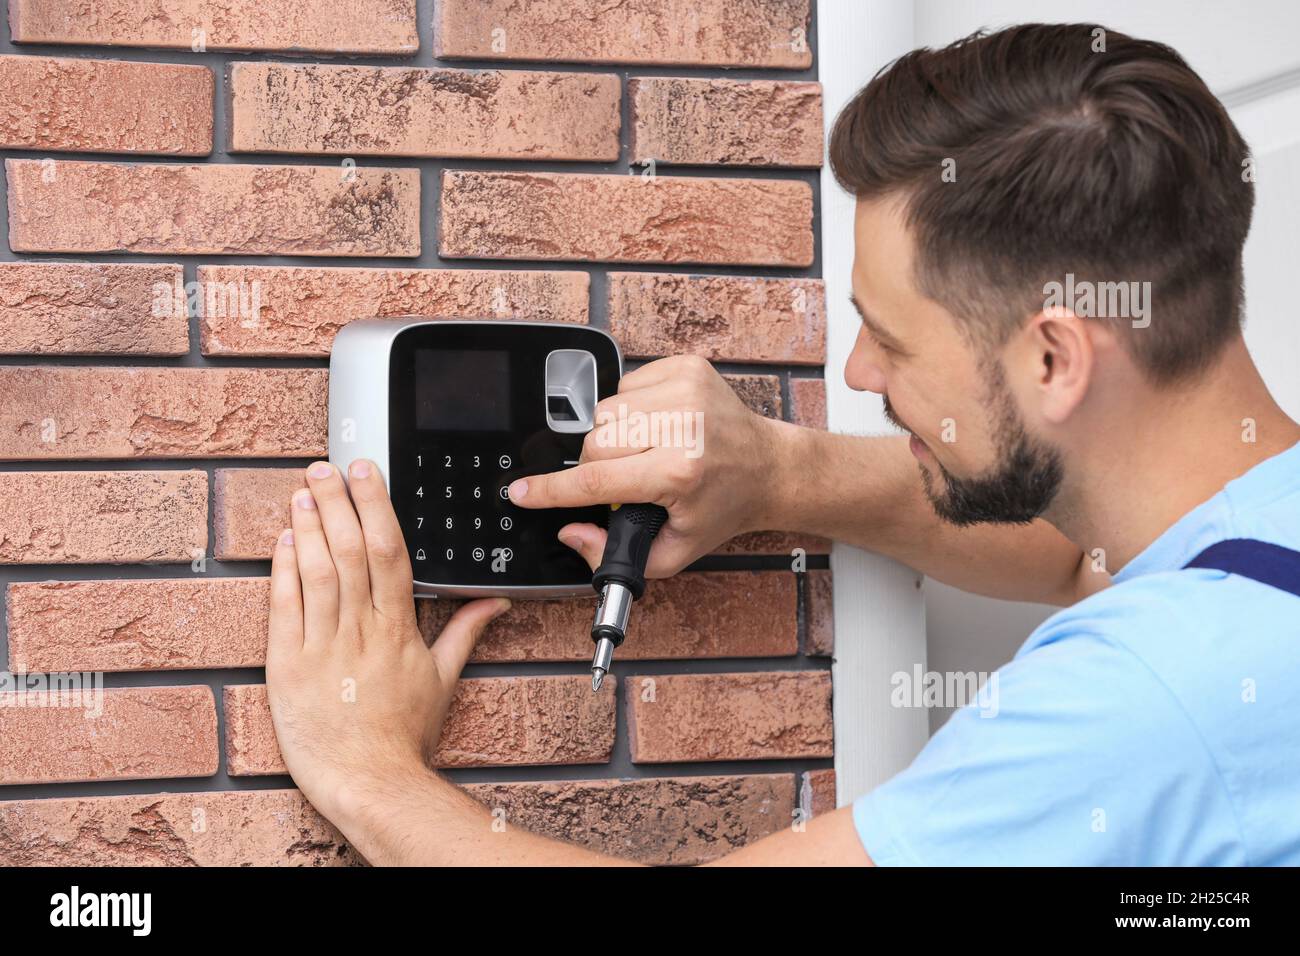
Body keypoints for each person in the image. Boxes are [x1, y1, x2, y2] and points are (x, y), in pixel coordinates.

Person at [265, 23, 1300, 865]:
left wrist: (364, 767)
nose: (858, 373)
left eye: (891, 337)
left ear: (1052, 361)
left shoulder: (1141, 701)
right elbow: (1084, 552)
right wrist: (775, 473)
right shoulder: (1247, 559)